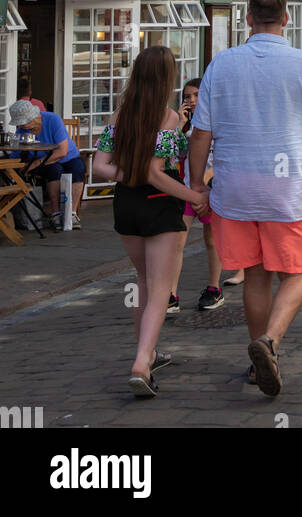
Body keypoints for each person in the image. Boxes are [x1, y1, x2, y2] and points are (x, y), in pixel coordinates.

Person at [187, 0, 302, 397]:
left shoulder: (221, 64)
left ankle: (258, 364)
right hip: (290, 188)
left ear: (247, 18)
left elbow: (200, 133)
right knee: (298, 272)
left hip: (235, 188)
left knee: (255, 277)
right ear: (287, 18)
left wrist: (194, 183)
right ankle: (270, 342)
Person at [92, 46, 203, 397]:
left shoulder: (120, 114)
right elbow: (157, 174)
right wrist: (196, 197)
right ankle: (142, 362)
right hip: (158, 205)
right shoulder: (167, 117)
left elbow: (98, 166)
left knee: (143, 281)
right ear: (166, 78)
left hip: (125, 204)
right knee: (160, 287)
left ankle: (149, 351)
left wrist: (129, 175)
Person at [168, 79, 226, 313]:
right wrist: (179, 125)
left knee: (212, 241)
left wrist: (203, 187)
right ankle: (171, 293)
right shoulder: (184, 126)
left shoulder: (218, 123)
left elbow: (221, 160)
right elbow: (172, 154)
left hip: (213, 189)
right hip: (188, 190)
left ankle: (214, 288)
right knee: (176, 242)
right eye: (187, 96)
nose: (190, 100)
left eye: (195, 95)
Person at [9, 100, 87, 230]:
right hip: (47, 163)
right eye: (20, 124)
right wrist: (20, 168)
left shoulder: (53, 120)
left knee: (78, 168)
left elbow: (62, 151)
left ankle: (71, 214)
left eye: (24, 123)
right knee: (54, 170)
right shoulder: (22, 131)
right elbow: (15, 155)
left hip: (67, 157)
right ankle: (55, 214)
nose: (22, 126)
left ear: (34, 117)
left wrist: (35, 163)